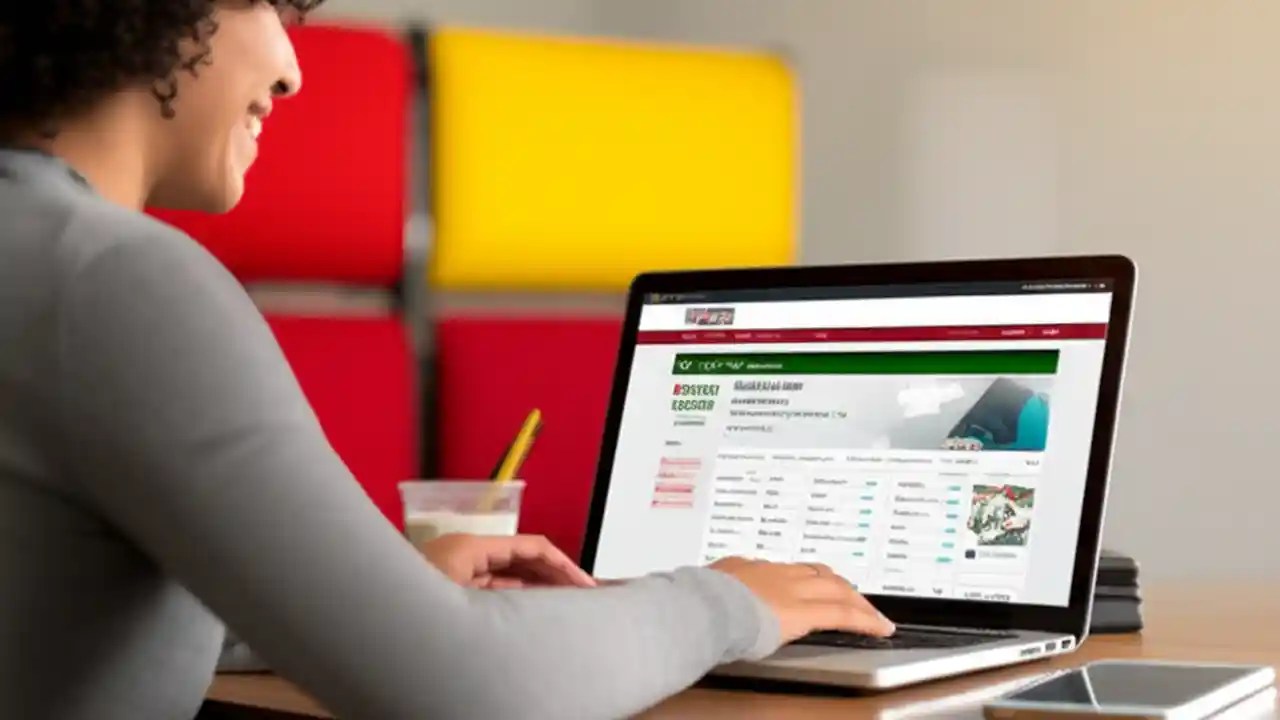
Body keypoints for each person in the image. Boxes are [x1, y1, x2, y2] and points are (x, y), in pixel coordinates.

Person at [0, 2, 895, 718]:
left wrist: (378, 598)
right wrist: (725, 603)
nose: (291, 66)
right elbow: (467, 693)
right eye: (268, 5)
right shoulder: (111, 277)